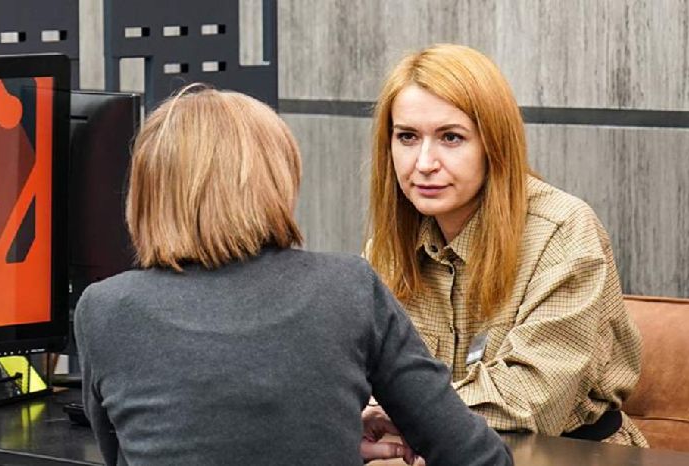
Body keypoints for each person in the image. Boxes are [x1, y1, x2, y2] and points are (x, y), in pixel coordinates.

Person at [74, 84, 512, 466]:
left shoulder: (105, 309)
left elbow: (125, 451)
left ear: (148, 191)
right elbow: (476, 456)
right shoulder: (348, 287)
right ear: (276, 181)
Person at [365, 43, 648, 447]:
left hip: (566, 453)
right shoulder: (388, 248)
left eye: (451, 137)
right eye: (407, 137)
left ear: (493, 145)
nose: (424, 163)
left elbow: (530, 398)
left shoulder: (562, 230)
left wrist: (405, 412)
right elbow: (358, 374)